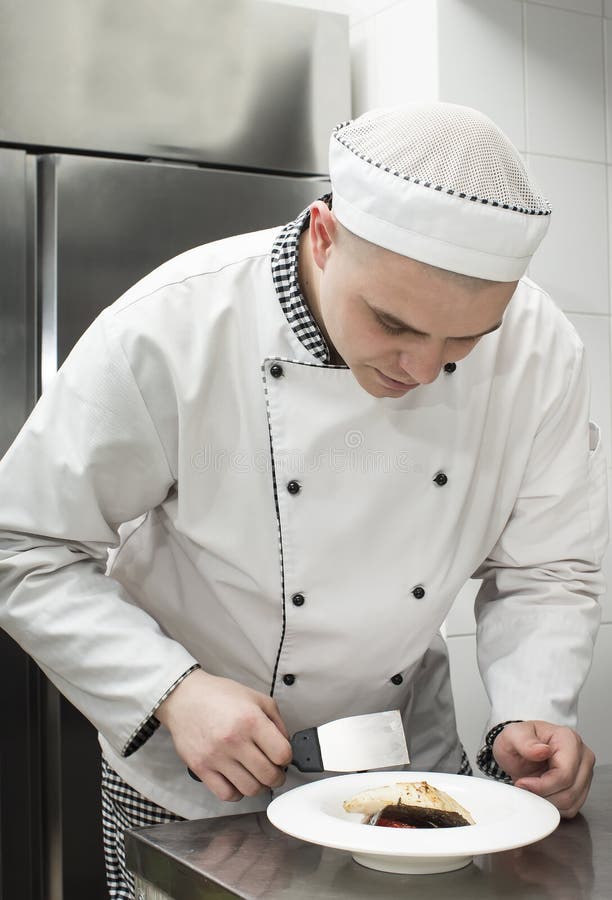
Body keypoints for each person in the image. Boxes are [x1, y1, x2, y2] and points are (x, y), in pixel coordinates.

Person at [0, 103, 606, 900]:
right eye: (393, 323)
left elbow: (547, 570)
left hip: (406, 768)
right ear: (323, 235)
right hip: (199, 781)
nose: (424, 369)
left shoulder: (540, 348)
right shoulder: (176, 324)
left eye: (466, 341)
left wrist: (528, 713)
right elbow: (24, 543)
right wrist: (172, 690)